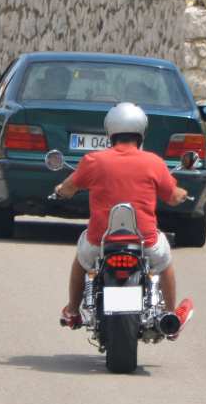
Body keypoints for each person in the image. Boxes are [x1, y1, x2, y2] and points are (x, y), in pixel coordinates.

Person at [53, 102, 189, 327]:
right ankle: (170, 315)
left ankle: (72, 310)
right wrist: (182, 193)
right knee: (165, 261)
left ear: (110, 132)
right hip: (145, 241)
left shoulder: (93, 161)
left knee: (81, 258)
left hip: (101, 241)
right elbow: (173, 197)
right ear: (141, 133)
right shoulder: (153, 162)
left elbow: (67, 189)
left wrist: (60, 191)